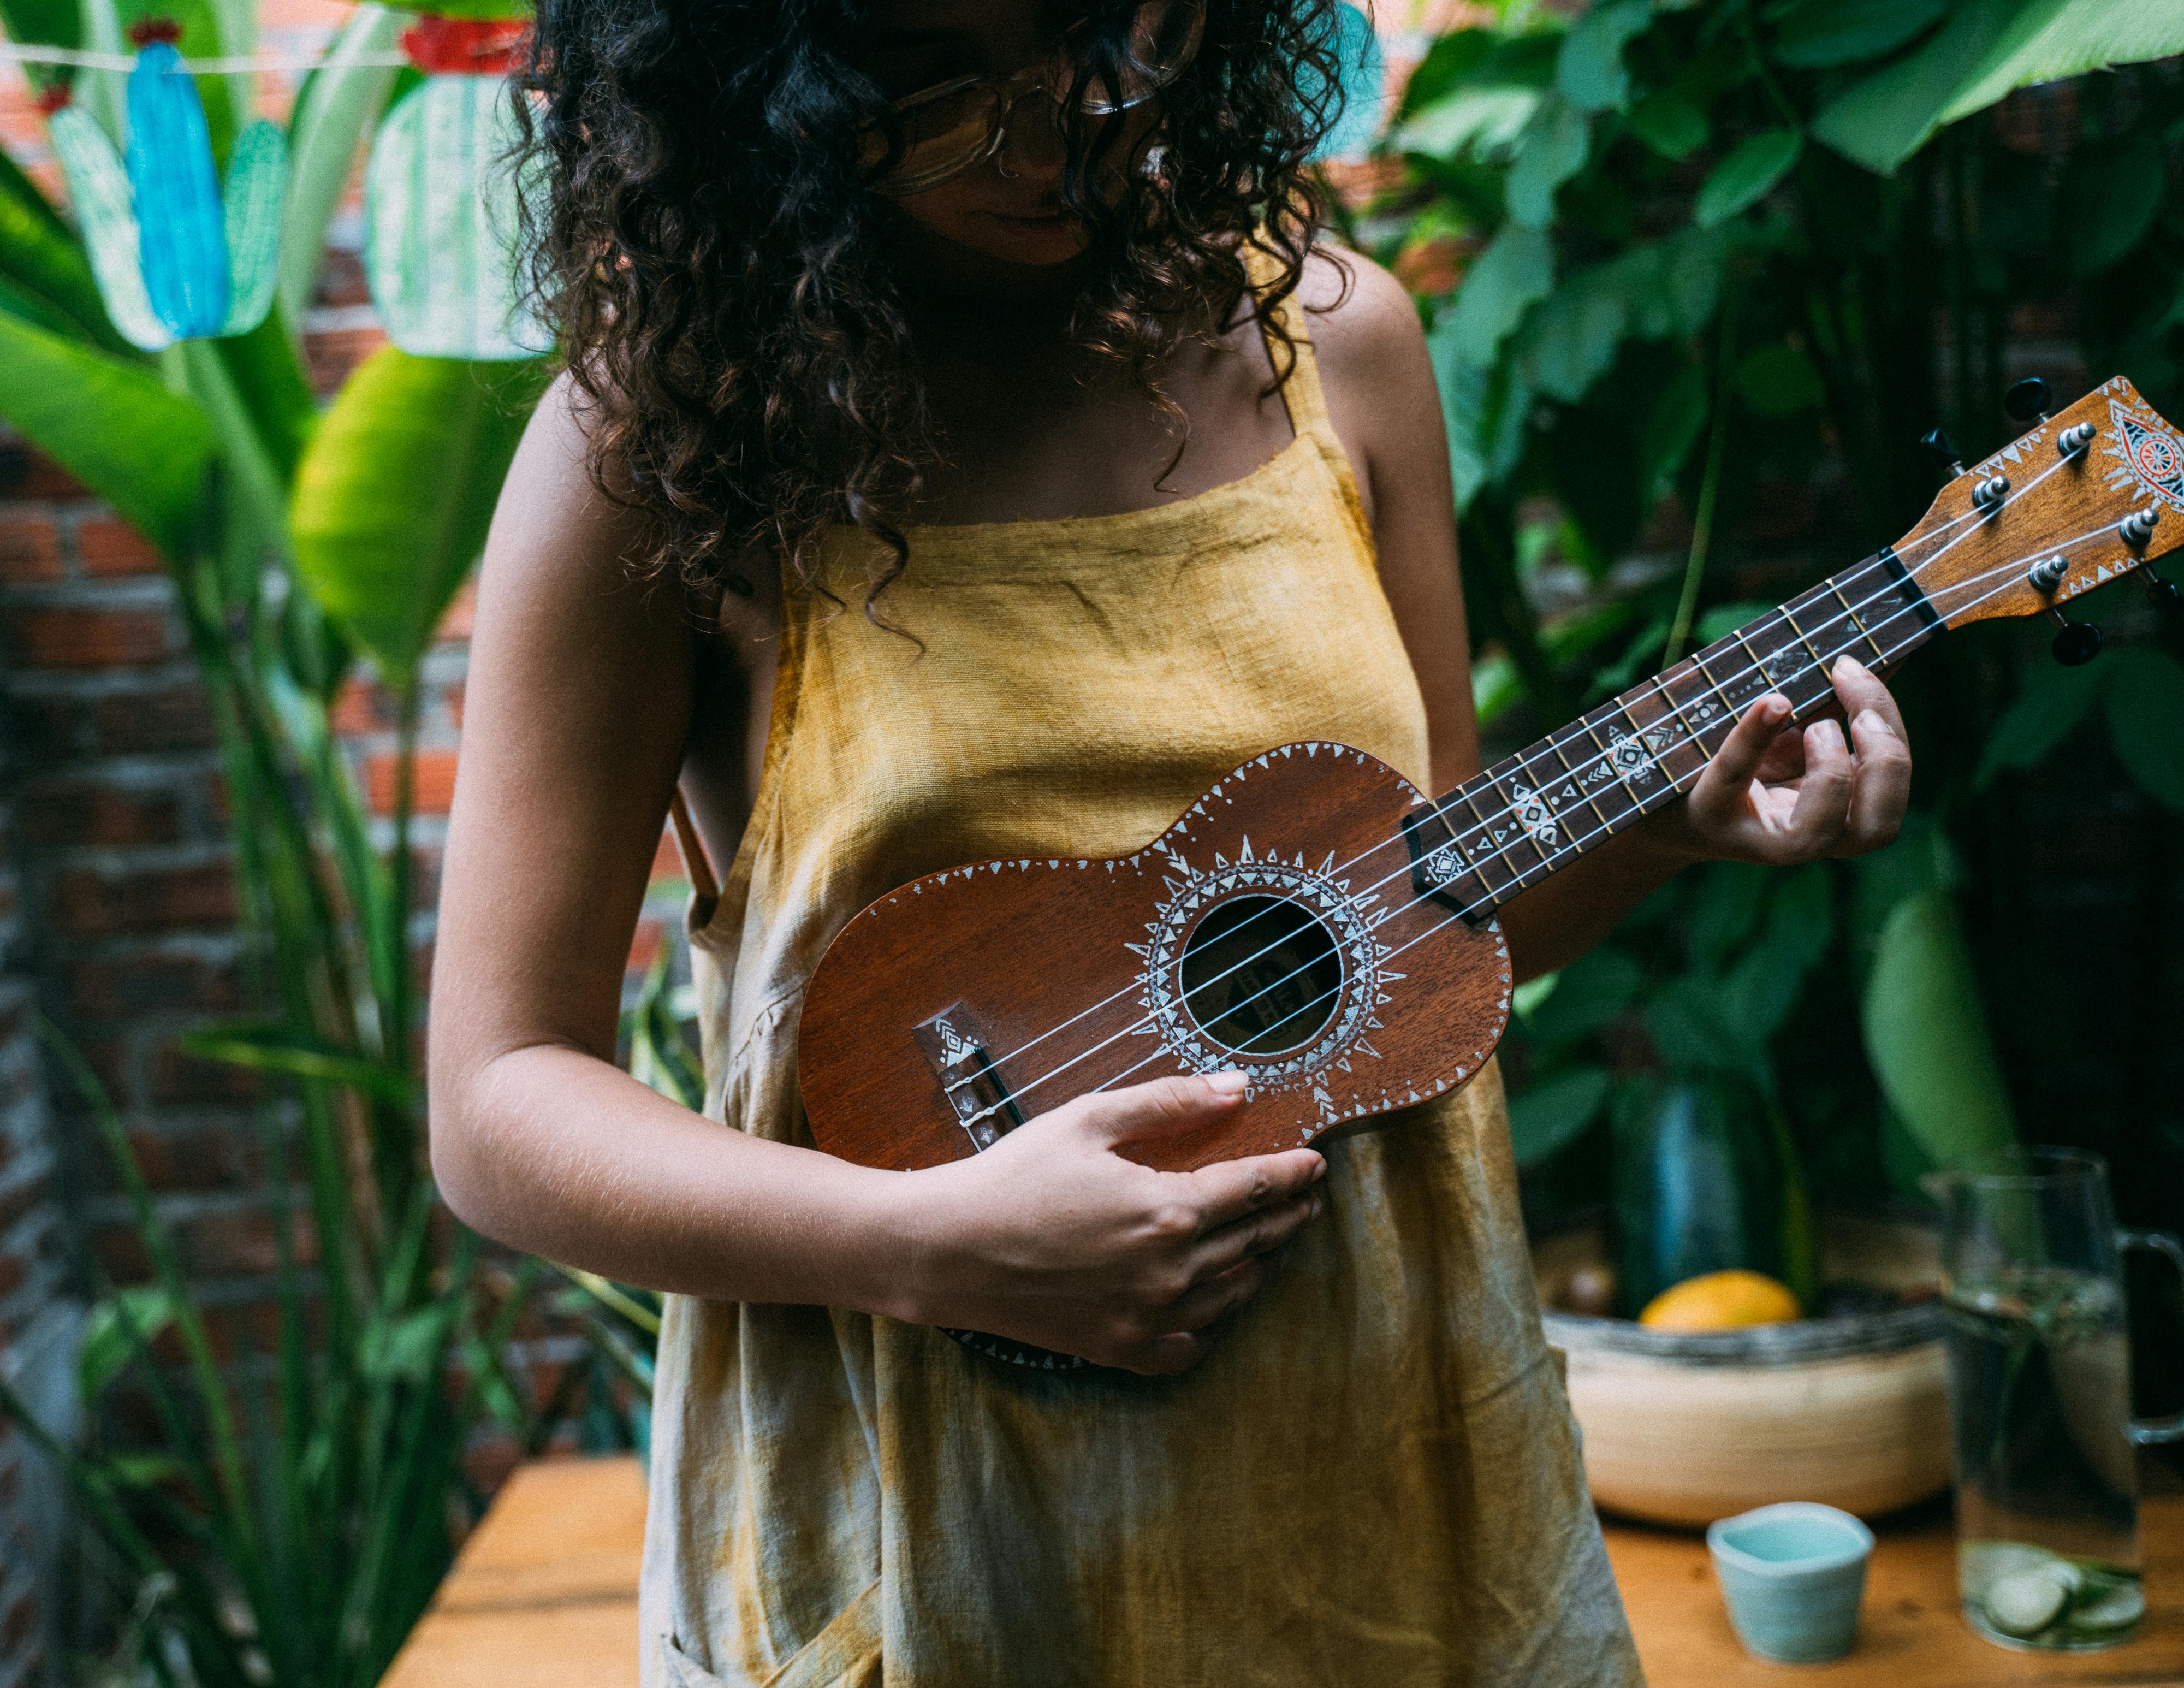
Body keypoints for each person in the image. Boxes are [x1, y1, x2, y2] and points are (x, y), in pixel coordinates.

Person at [426, 2, 1913, 1683]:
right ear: (763, 83)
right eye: (935, 81)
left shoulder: (1339, 349)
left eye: (1115, 27)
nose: (1057, 121)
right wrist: (935, 1245)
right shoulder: (670, 446)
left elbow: (1406, 922)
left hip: (1388, 1479)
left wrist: (1675, 828)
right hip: (949, 1535)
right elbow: (495, 1102)